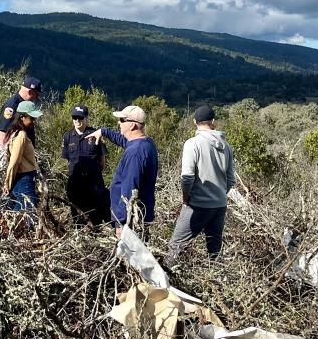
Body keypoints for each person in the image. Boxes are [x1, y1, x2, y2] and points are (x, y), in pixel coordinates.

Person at [167, 105, 236, 263]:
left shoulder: (192, 144)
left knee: (176, 245)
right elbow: (231, 179)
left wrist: (186, 198)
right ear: (213, 121)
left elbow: (187, 177)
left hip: (197, 204)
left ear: (194, 122)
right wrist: (219, 194)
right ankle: (217, 281)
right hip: (219, 205)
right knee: (214, 251)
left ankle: (163, 283)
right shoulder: (227, 147)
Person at [89, 105, 158, 236]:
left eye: (121, 120)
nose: (118, 123)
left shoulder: (135, 153)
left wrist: (121, 223)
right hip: (142, 214)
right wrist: (104, 131)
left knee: (131, 255)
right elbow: (125, 141)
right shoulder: (146, 143)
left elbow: (129, 190)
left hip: (131, 220)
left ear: (132, 125)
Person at [62, 104, 110, 225]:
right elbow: (68, 159)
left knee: (96, 210)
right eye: (75, 118)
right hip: (75, 181)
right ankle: (80, 233)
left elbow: (102, 160)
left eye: (80, 118)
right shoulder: (68, 136)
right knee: (77, 211)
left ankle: (97, 233)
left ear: (86, 118)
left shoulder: (95, 134)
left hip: (93, 180)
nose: (77, 121)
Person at [2, 100, 43, 212]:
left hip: (22, 179)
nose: (33, 121)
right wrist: (8, 183)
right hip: (25, 179)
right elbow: (14, 162)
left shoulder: (15, 133)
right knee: (28, 212)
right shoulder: (21, 135)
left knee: (19, 212)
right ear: (22, 117)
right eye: (31, 118)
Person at [0, 76, 42, 148]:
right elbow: (3, 132)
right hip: (17, 151)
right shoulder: (12, 105)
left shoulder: (27, 105)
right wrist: (7, 153)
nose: (37, 98)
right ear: (30, 92)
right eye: (36, 94)